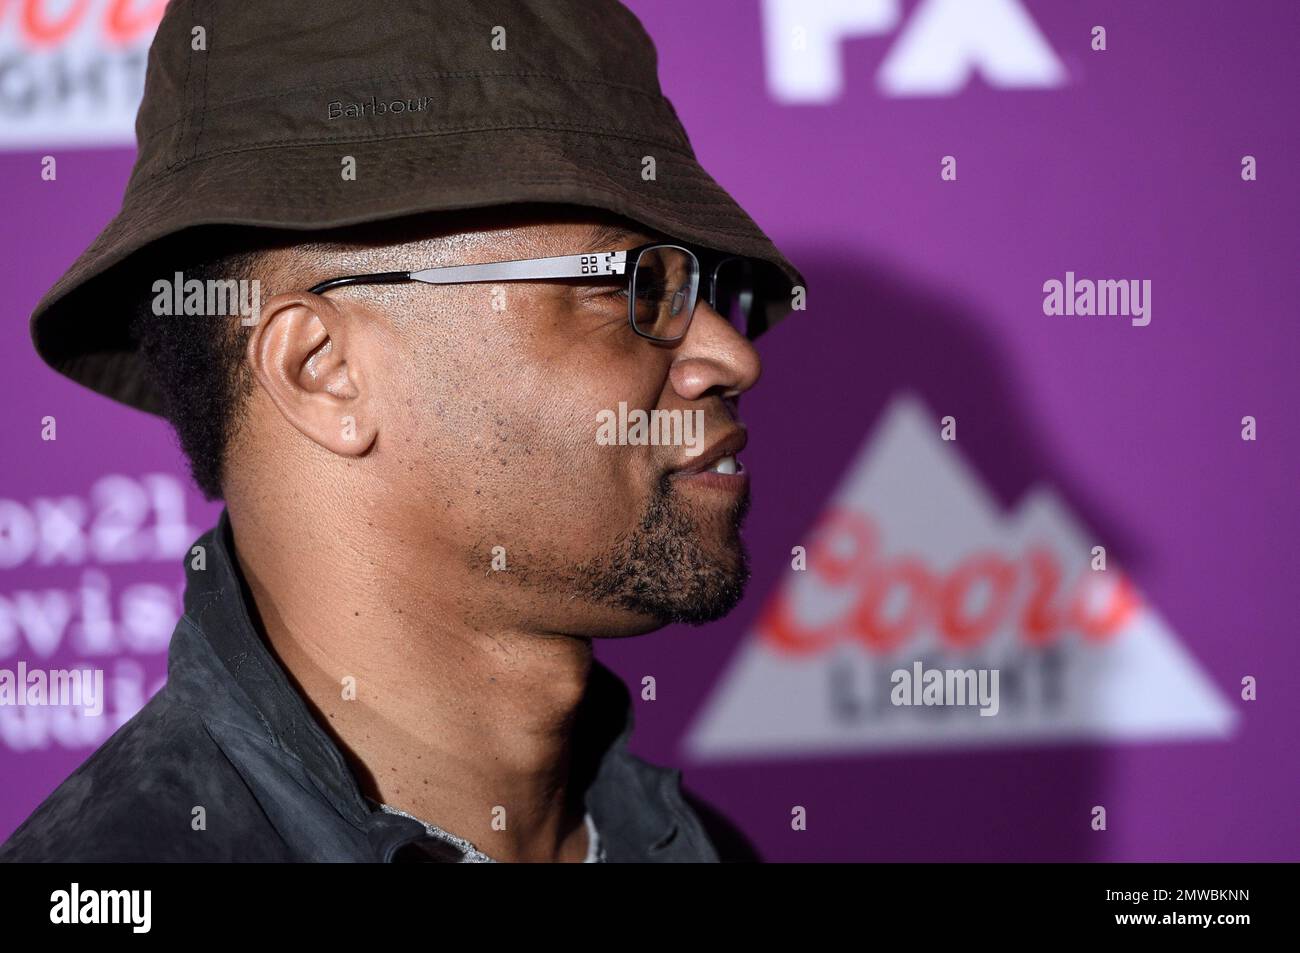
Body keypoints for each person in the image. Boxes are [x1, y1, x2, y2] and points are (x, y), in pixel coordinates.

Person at [2, 0, 804, 863]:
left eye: (717, 290)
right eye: (633, 287)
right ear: (324, 370)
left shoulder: (698, 847)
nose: (731, 354)